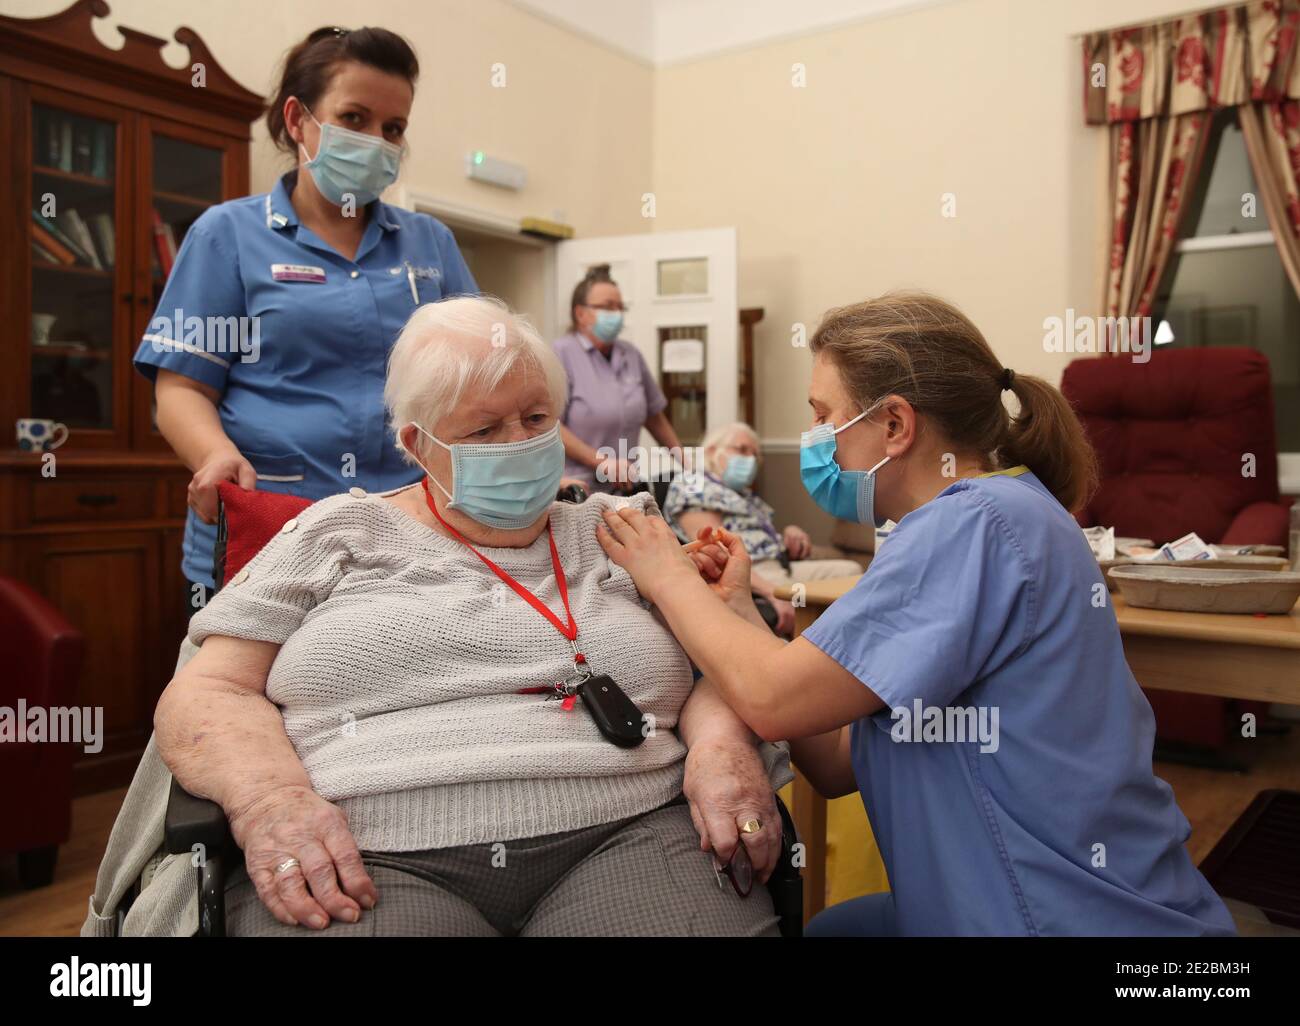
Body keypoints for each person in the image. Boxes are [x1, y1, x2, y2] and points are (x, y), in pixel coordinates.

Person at [119, 297, 790, 937]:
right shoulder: (336, 534)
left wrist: (722, 747)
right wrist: (269, 801)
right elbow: (211, 690)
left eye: (535, 418)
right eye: (484, 429)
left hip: (630, 828)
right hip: (369, 851)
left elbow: (724, 658)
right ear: (417, 443)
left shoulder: (623, 530)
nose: (521, 442)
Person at [594, 291, 1237, 937]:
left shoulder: (974, 526)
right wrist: (739, 607)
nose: (819, 443)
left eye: (824, 418)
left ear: (896, 425)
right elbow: (837, 762)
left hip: (1061, 915)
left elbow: (770, 698)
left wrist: (666, 575)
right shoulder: (993, 513)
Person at [132, 26, 477, 621]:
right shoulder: (227, 235)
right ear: (298, 120)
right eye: (354, 117)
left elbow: (480, 371)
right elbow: (181, 386)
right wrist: (213, 455)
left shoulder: (430, 243)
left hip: (408, 535)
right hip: (268, 531)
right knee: (241, 704)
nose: (377, 140)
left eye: (393, 128)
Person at [664, 421, 861, 635]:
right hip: (753, 571)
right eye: (742, 449)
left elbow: (756, 535)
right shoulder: (694, 486)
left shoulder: (742, 494)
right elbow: (717, 549)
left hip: (780, 564)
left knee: (851, 572)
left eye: (755, 454)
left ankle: (834, 645)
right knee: (825, 593)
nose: (750, 459)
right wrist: (773, 594)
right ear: (712, 450)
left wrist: (787, 535)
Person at [553, 265, 682, 493]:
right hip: (578, 487)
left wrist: (687, 463)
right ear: (580, 313)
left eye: (620, 307)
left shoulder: (630, 354)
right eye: (607, 307)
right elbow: (551, 426)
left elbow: (655, 417)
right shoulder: (560, 354)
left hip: (627, 484)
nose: (617, 314)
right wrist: (601, 462)